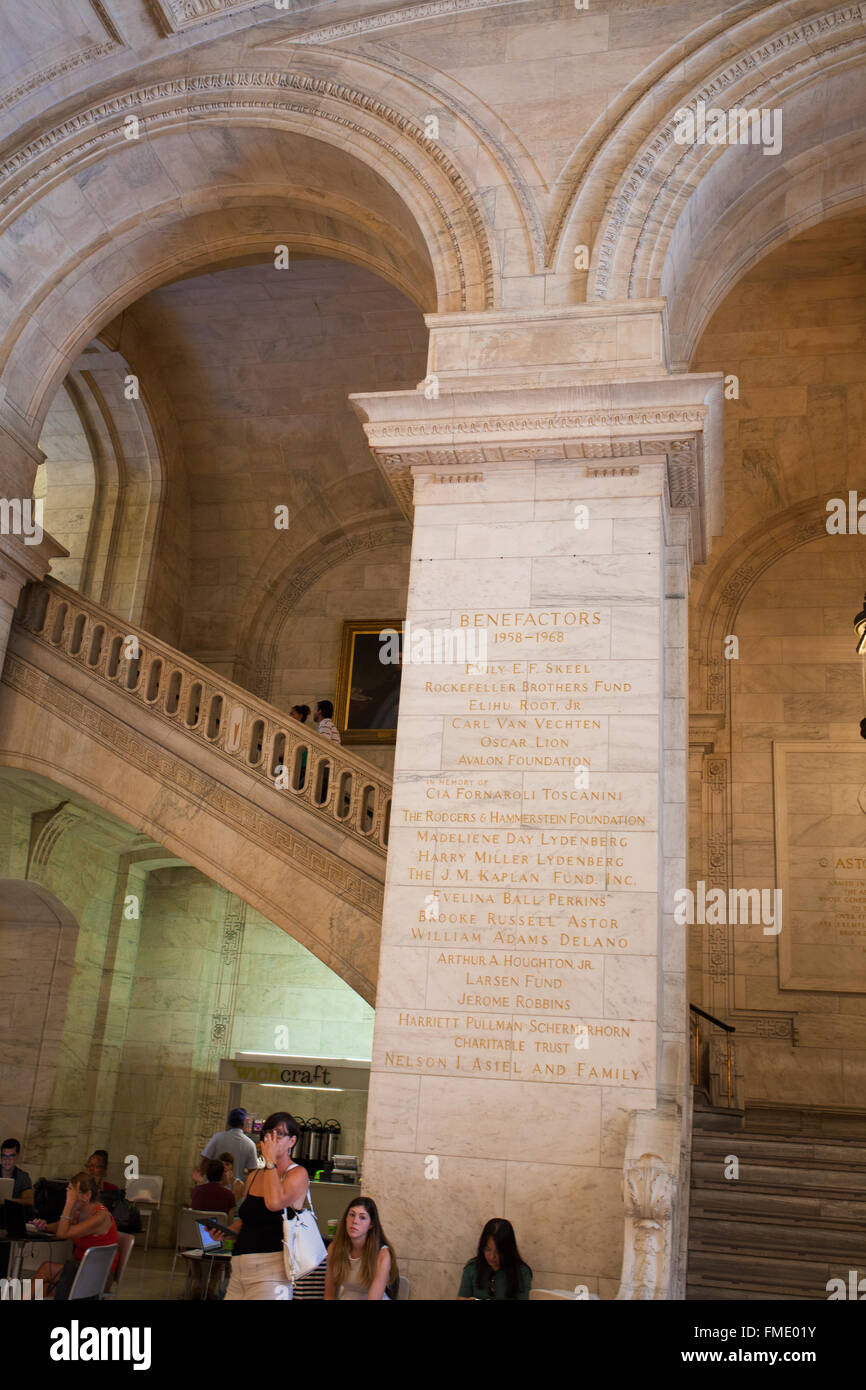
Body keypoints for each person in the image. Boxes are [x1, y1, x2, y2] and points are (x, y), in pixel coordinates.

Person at [204, 1111, 308, 1301]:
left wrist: (270, 1162)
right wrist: (224, 1232)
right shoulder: (254, 1176)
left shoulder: (297, 1174)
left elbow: (274, 1203)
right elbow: (247, 1220)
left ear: (292, 1141)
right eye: (268, 1133)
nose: (272, 1139)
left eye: (279, 1134)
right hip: (240, 1267)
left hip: (271, 1270)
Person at [30, 1172, 119, 1298]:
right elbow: (62, 1226)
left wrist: (69, 1203)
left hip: (98, 1274)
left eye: (72, 1193)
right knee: (42, 1288)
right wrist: (45, 1226)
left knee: (46, 1269)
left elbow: (62, 1234)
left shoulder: (100, 1217)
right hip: (79, 1267)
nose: (69, 1197)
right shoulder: (79, 1210)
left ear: (87, 1195)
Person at [324, 1197, 397, 1301]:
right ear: (345, 1219)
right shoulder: (334, 1248)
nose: (355, 1221)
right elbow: (328, 1295)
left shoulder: (382, 1255)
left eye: (362, 1217)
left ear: (371, 1224)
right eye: (352, 1215)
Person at [457, 1218, 531, 1300]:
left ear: (508, 1250)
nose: (492, 1256)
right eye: (488, 1249)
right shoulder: (472, 1267)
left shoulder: (522, 1272)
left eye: (499, 1251)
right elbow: (462, 1297)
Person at [201, 1108, 258, 1182]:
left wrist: (200, 1181)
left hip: (215, 1183)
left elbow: (205, 1160)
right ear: (244, 1123)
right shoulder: (250, 1144)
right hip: (235, 1185)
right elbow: (253, 1170)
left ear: (228, 1122)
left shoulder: (217, 1137)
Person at [1, 1137, 33, 1203]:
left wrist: (5, 1200)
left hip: (11, 1209)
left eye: (11, 1156)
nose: (7, 1160)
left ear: (17, 1156)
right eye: (4, 1156)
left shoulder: (23, 1177)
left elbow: (29, 1200)